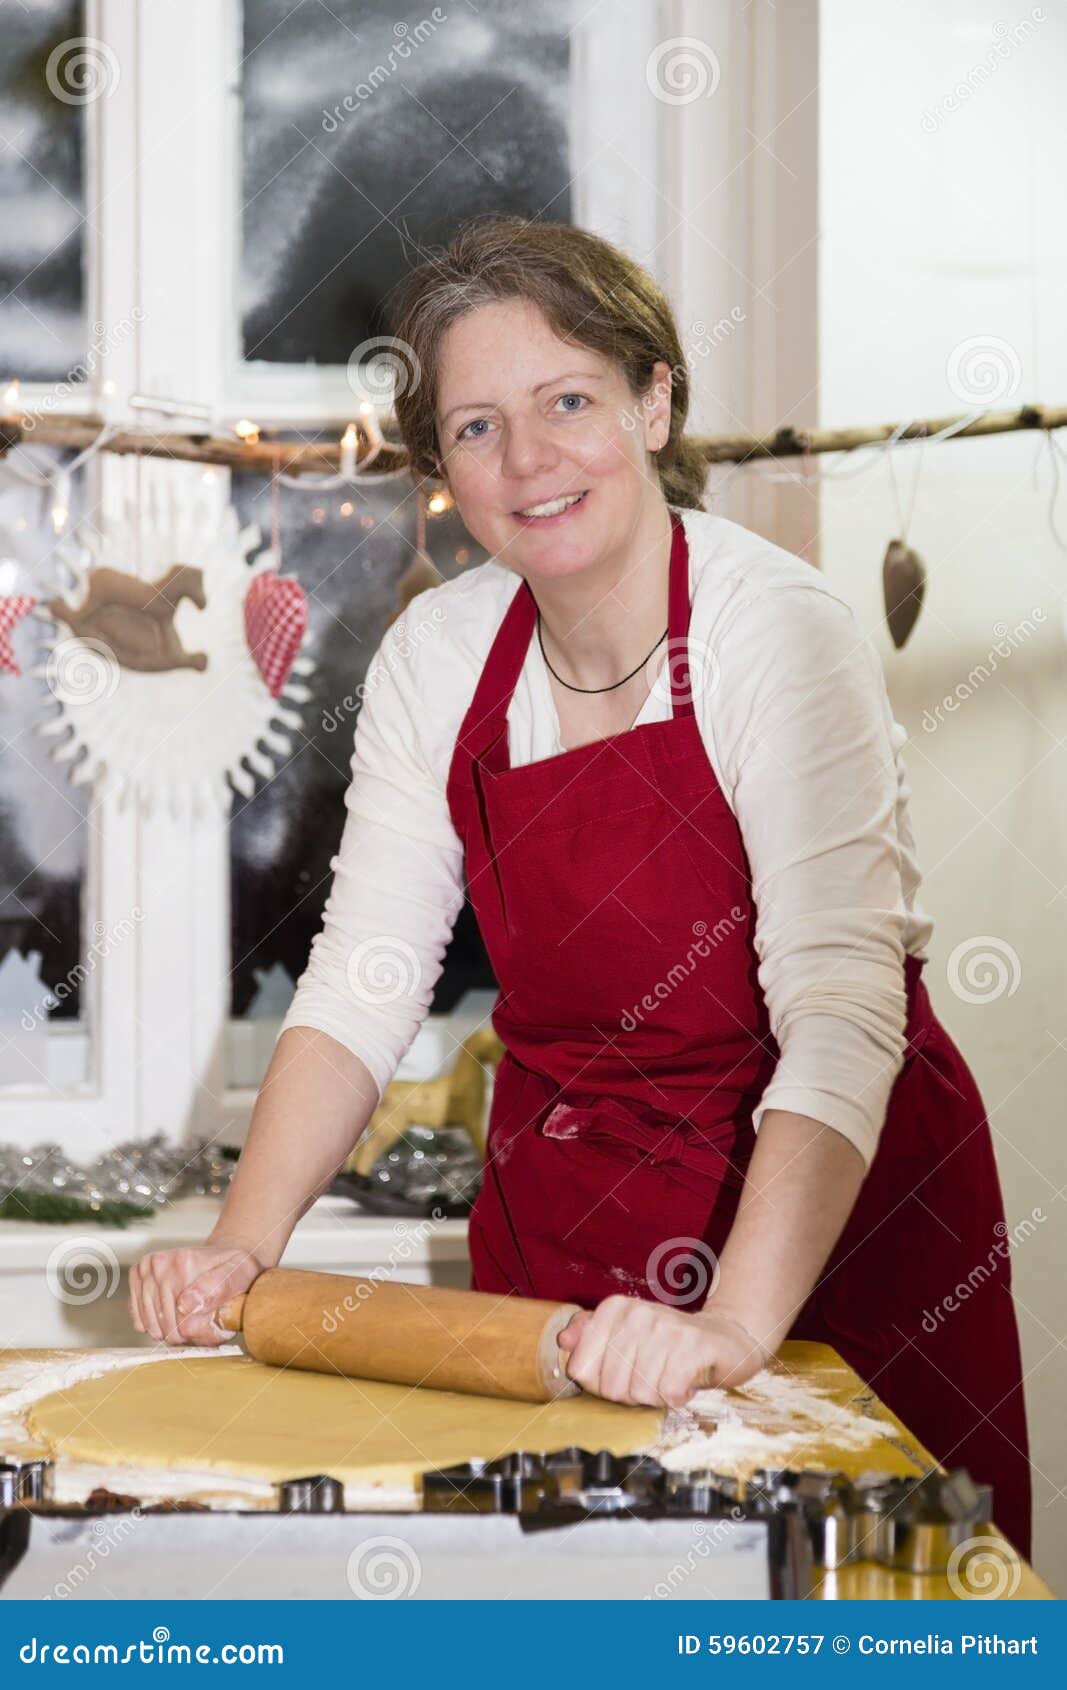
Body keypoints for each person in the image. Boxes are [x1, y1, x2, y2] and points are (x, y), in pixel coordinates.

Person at [130, 215, 1031, 1556]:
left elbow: (840, 1014)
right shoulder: (439, 657)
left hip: (830, 1207)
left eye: (569, 401)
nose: (531, 460)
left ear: (655, 399)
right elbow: (367, 973)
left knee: (847, 1601)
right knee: (581, 1594)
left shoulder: (776, 634)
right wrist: (240, 1251)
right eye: (479, 426)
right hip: (580, 1200)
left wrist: (731, 1318)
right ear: (442, 462)